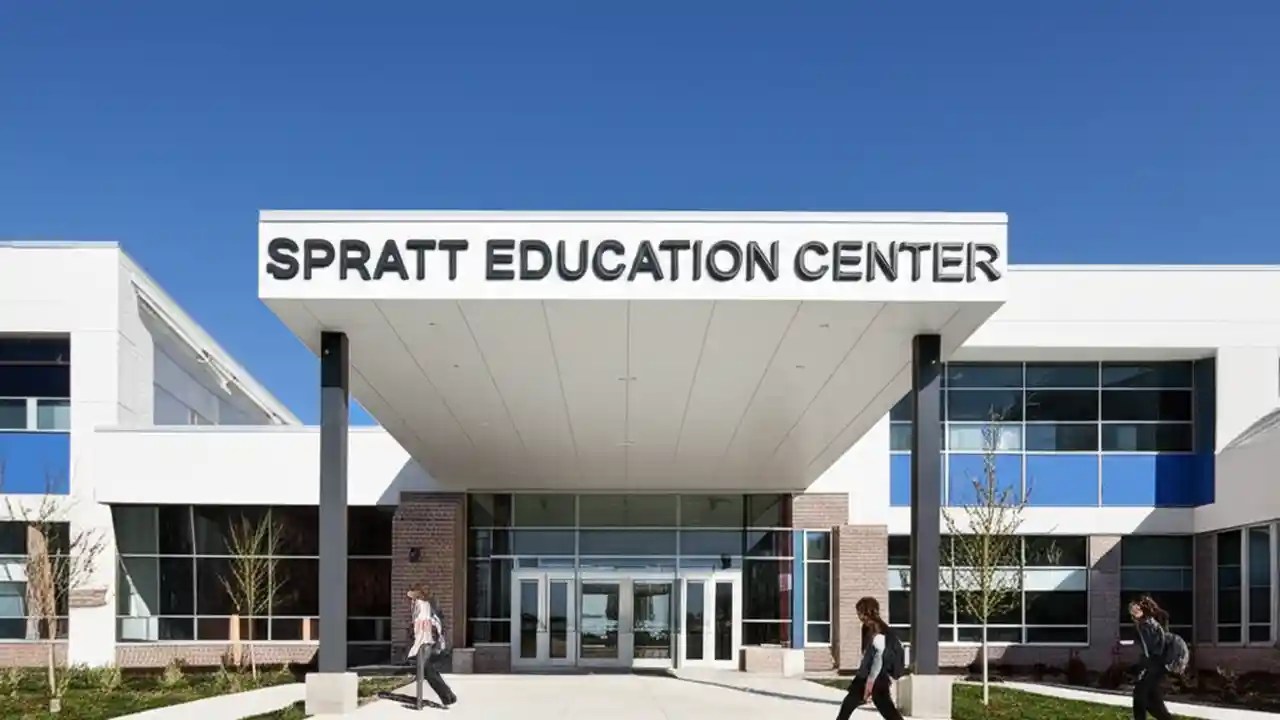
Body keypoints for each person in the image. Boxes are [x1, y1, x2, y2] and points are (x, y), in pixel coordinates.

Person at [836, 597, 905, 720]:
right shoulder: (870, 628)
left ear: (867, 612)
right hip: (873, 677)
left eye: (860, 612)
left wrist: (870, 682)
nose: (859, 616)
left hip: (873, 677)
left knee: (849, 706)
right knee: (886, 709)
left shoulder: (878, 630)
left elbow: (878, 657)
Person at [407, 586, 456, 709]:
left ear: (418, 595)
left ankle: (444, 696)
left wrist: (416, 643)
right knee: (428, 669)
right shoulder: (424, 605)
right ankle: (448, 696)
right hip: (427, 641)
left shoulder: (422, 605)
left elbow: (421, 625)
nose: (410, 599)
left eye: (412, 595)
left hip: (425, 641)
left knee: (425, 669)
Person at [1130, 595, 1174, 720]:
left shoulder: (1148, 625)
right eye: (1131, 610)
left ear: (1143, 609)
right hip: (1154, 664)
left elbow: (1154, 648)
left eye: (1135, 609)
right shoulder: (1143, 624)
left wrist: (1147, 665)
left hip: (1155, 664)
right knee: (1152, 701)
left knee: (1140, 696)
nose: (1132, 612)